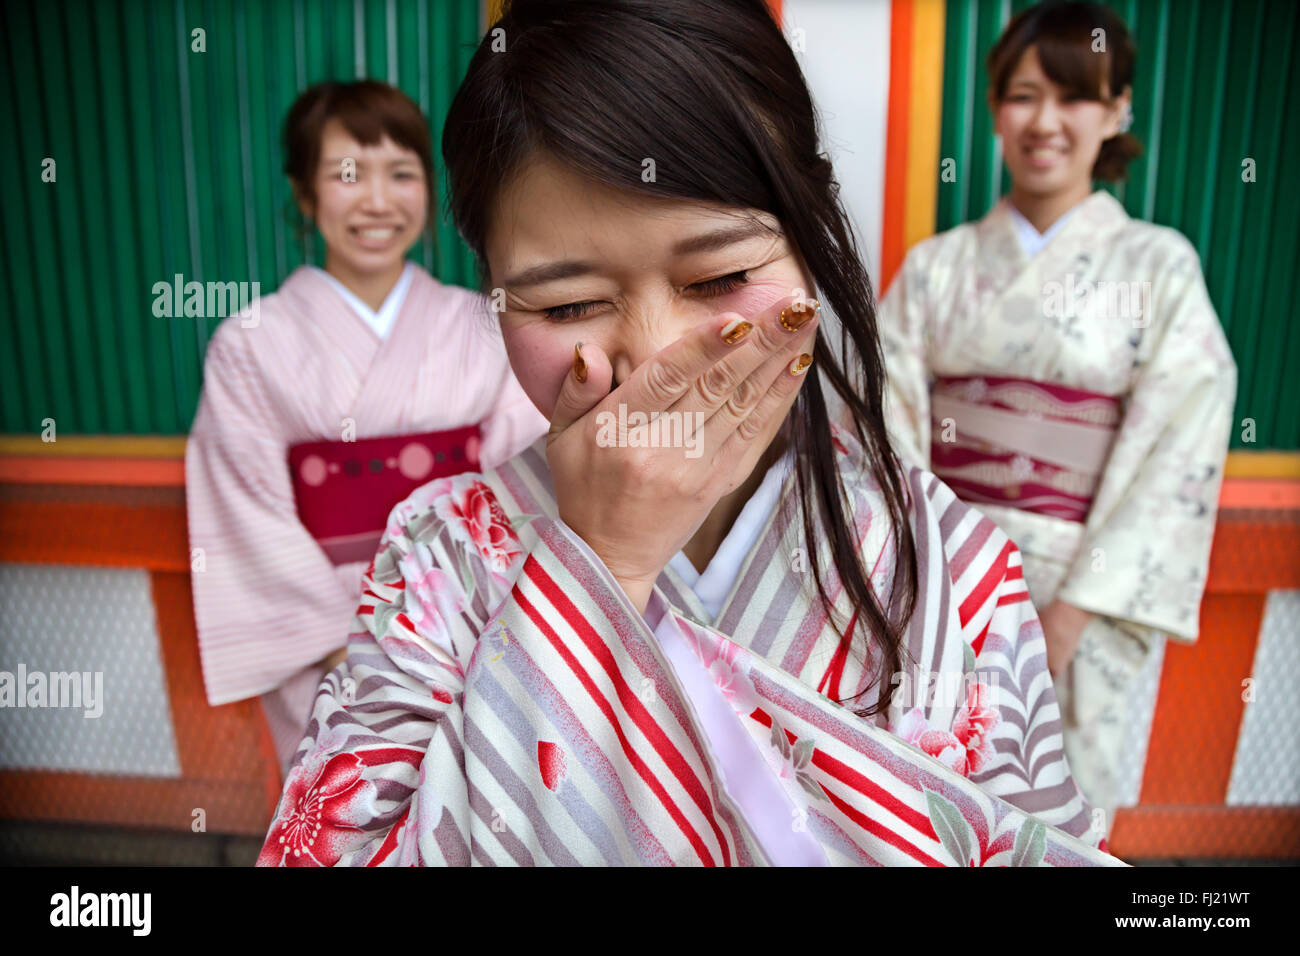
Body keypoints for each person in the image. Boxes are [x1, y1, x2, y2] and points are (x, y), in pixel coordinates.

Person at [255, 0, 1120, 867]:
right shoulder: (437, 555)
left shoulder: (954, 562)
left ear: (810, 241)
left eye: (721, 276)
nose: (657, 355)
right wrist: (598, 565)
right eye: (568, 304)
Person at [876, 1, 1235, 834]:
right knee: (932, 808)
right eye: (1023, 95)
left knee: (1060, 825)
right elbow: (885, 423)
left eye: (1074, 98)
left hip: (1083, 589)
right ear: (996, 108)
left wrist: (1073, 613)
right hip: (942, 576)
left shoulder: (1157, 264)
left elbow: (1181, 440)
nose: (1045, 122)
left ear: (1117, 113)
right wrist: (926, 581)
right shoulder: (935, 270)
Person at [186, 80, 548, 775]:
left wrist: (451, 627)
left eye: (402, 174)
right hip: (329, 651)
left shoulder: (481, 328)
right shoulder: (250, 343)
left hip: (469, 627)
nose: (378, 200)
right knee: (346, 811)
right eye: (348, 175)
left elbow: (522, 481)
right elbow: (248, 511)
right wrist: (355, 644)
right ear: (305, 194)